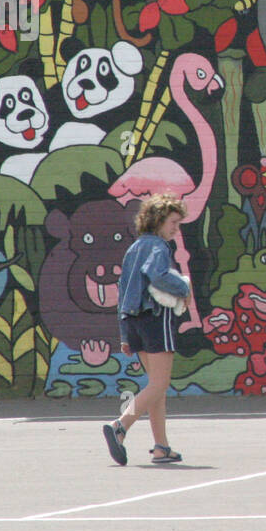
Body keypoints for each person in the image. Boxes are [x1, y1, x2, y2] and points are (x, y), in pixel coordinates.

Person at [103, 193, 192, 466]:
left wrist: (124, 334)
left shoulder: (134, 247)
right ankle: (120, 426)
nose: (176, 229)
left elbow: (123, 290)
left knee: (156, 388)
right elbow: (158, 275)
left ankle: (161, 447)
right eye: (173, 223)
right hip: (155, 318)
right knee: (159, 384)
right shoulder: (158, 247)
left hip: (133, 321)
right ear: (158, 220)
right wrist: (184, 288)